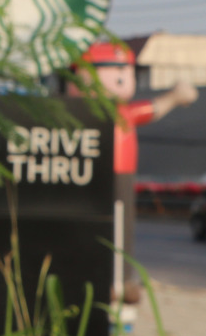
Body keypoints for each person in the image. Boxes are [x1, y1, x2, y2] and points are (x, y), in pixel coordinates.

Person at [70, 41, 197, 300]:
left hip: (123, 174)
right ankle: (96, 277)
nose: (120, 78)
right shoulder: (79, 114)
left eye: (124, 71)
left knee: (122, 226)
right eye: (111, 71)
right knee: (90, 225)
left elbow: (154, 108)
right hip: (89, 173)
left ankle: (121, 280)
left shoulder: (124, 112)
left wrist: (175, 96)